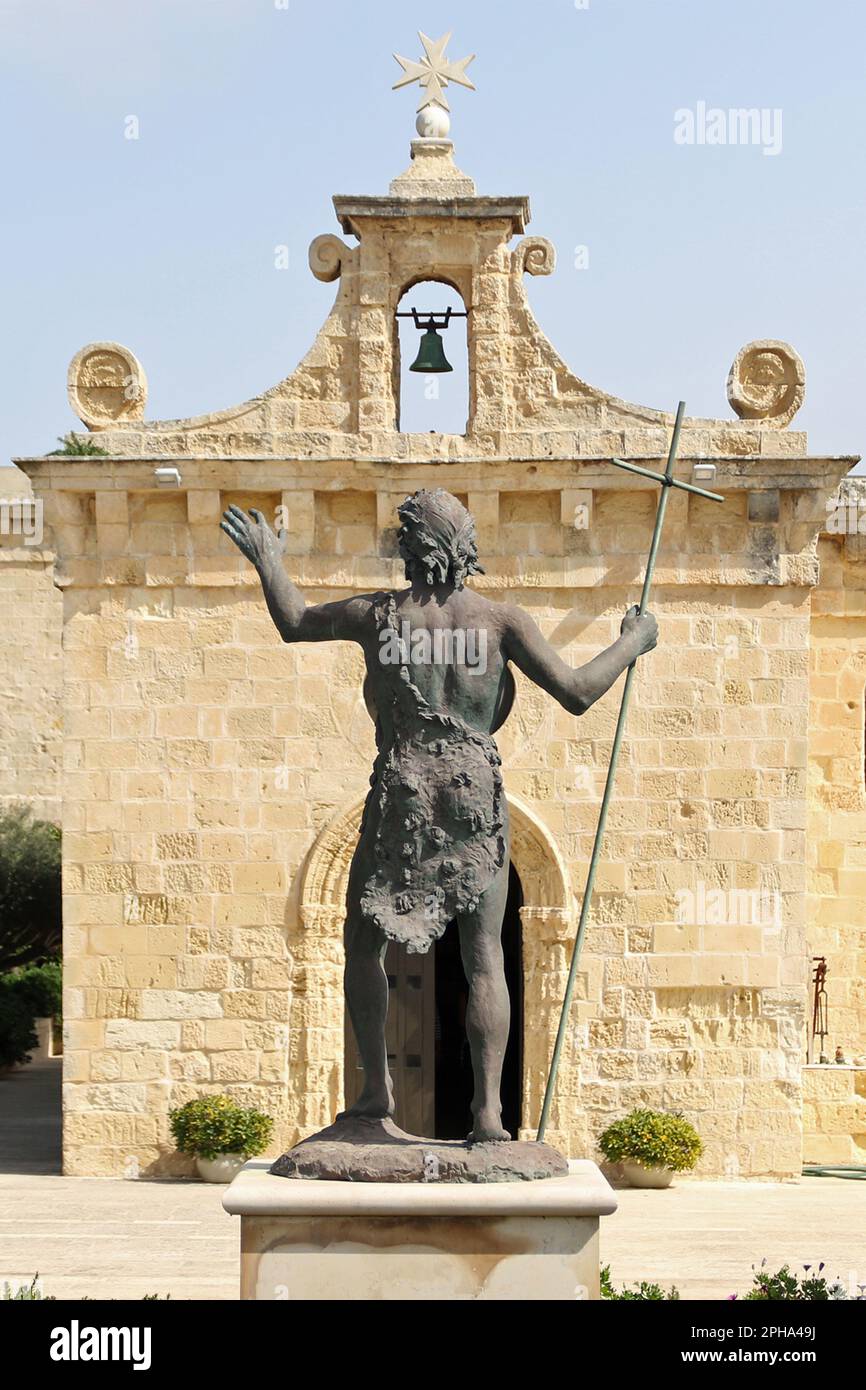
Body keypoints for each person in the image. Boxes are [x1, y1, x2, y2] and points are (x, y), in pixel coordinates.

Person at [221, 487, 658, 1141]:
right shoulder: (501, 621)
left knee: (362, 943)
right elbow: (576, 691)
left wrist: (267, 560)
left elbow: (294, 621)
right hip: (473, 794)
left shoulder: (377, 615)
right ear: (468, 551)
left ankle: (375, 1093)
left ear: (407, 548)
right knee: (484, 954)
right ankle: (489, 1116)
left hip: (403, 788)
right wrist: (633, 641)